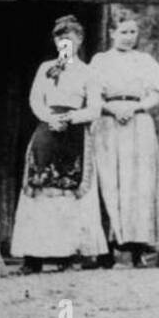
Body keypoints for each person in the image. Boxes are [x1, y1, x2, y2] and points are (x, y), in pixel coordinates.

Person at [11, 15, 108, 274]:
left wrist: (71, 117)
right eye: (60, 39)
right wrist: (50, 118)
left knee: (69, 191)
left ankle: (67, 255)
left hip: (74, 135)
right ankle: (33, 257)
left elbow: (96, 108)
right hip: (48, 131)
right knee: (40, 188)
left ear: (80, 40)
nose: (65, 43)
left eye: (71, 39)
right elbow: (35, 101)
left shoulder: (89, 72)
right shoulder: (45, 68)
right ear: (55, 42)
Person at [89, 8, 159, 267]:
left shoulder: (145, 61)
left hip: (138, 122)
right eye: (123, 32)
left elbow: (156, 94)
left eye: (133, 32)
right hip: (109, 123)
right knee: (110, 182)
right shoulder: (101, 61)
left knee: (138, 185)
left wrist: (135, 107)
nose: (128, 37)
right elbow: (92, 95)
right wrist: (112, 108)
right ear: (112, 33)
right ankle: (107, 249)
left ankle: (137, 249)